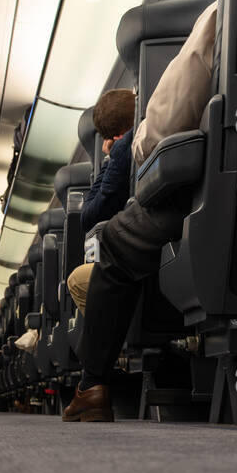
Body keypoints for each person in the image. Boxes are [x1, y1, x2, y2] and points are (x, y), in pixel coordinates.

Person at [62, 1, 218, 423]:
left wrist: (128, 150)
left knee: (113, 241)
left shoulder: (222, 16)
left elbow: (164, 126)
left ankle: (92, 384)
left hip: (204, 204)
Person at [66, 89, 137, 313]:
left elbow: (90, 216)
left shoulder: (124, 147)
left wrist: (109, 159)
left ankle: (113, 348)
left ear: (115, 137)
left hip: (137, 254)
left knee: (76, 280)